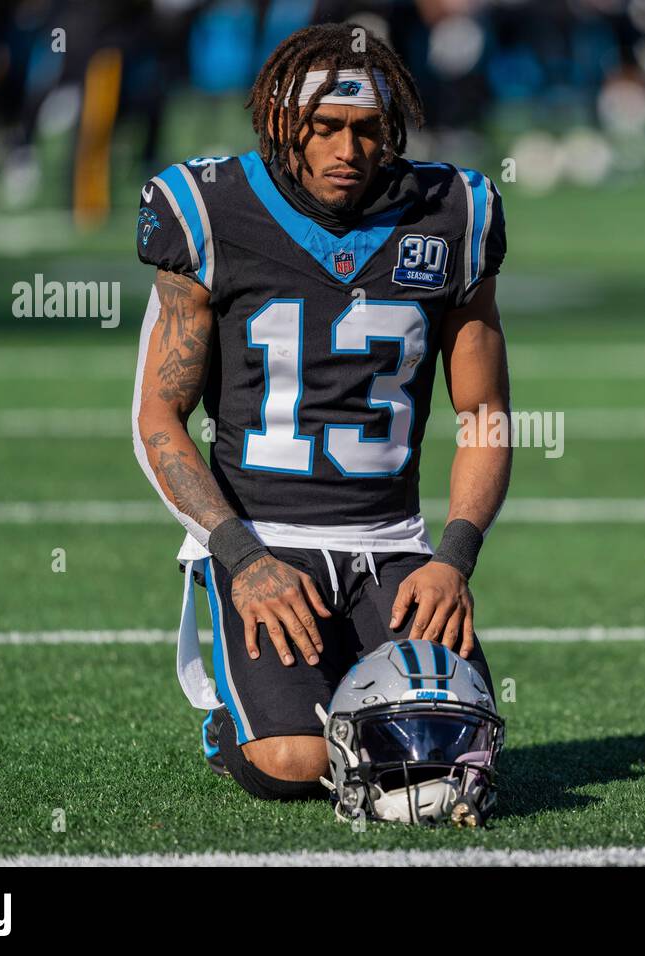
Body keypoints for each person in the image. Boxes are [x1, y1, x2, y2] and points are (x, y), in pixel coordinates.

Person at [131, 22, 510, 801]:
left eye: (368, 130)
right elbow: (159, 420)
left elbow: (486, 413)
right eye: (325, 128)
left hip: (394, 545)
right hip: (266, 541)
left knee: (449, 750)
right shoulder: (208, 210)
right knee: (297, 762)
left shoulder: (454, 212)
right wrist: (240, 558)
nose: (348, 151)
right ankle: (237, 721)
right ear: (280, 122)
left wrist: (454, 557)